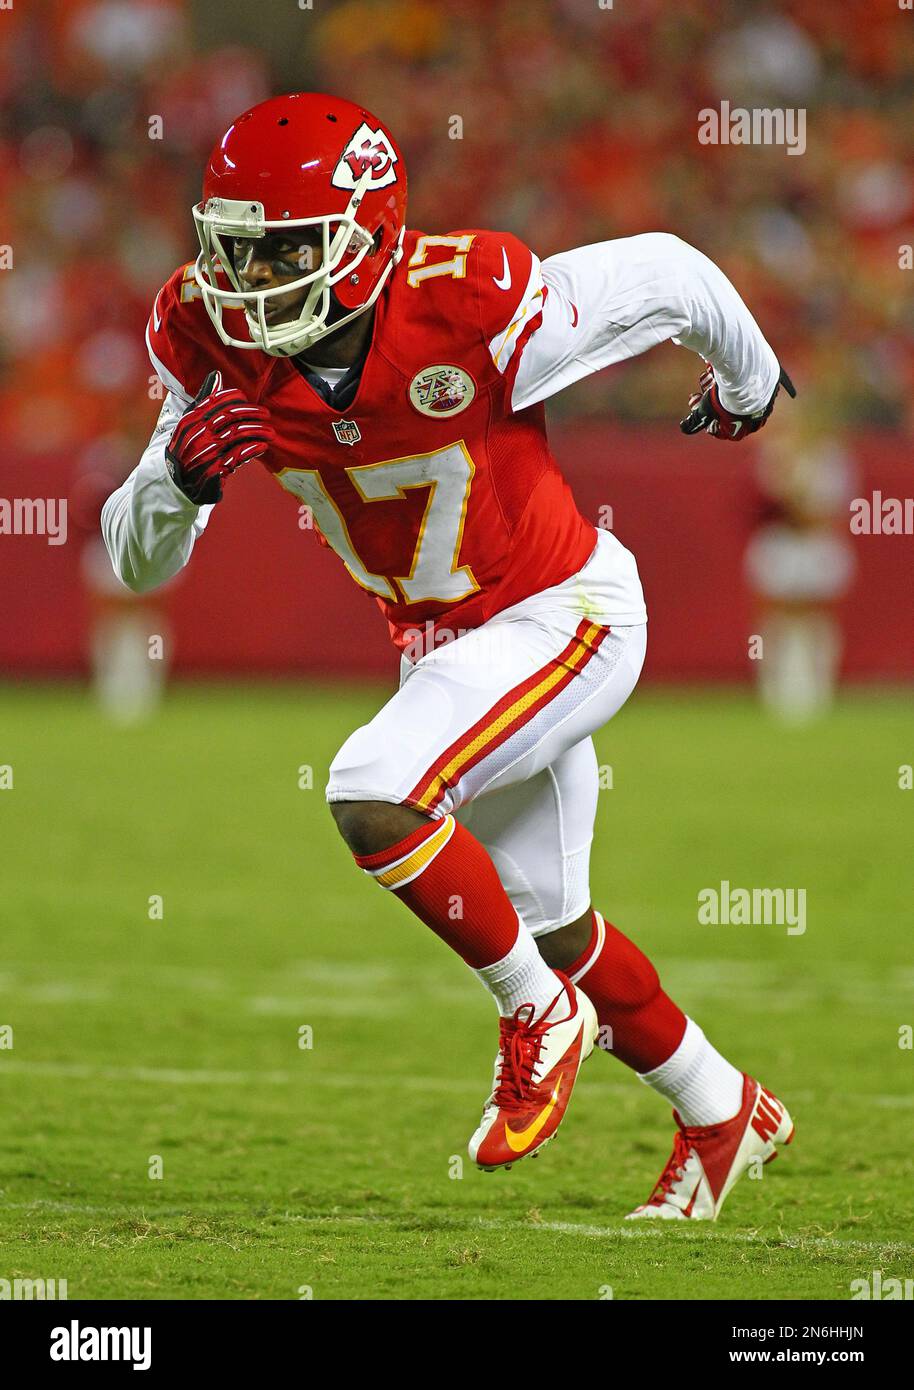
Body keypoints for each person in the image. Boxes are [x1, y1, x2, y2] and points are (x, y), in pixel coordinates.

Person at [102, 92, 796, 1218]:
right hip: (444, 650)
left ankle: (534, 1013)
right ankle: (721, 1108)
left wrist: (748, 382)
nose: (247, 276)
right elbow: (133, 564)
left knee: (375, 789)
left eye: (282, 247)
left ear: (367, 239)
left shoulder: (466, 298)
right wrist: (172, 486)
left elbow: (669, 268)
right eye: (232, 244)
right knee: (552, 922)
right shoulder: (204, 333)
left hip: (563, 611)